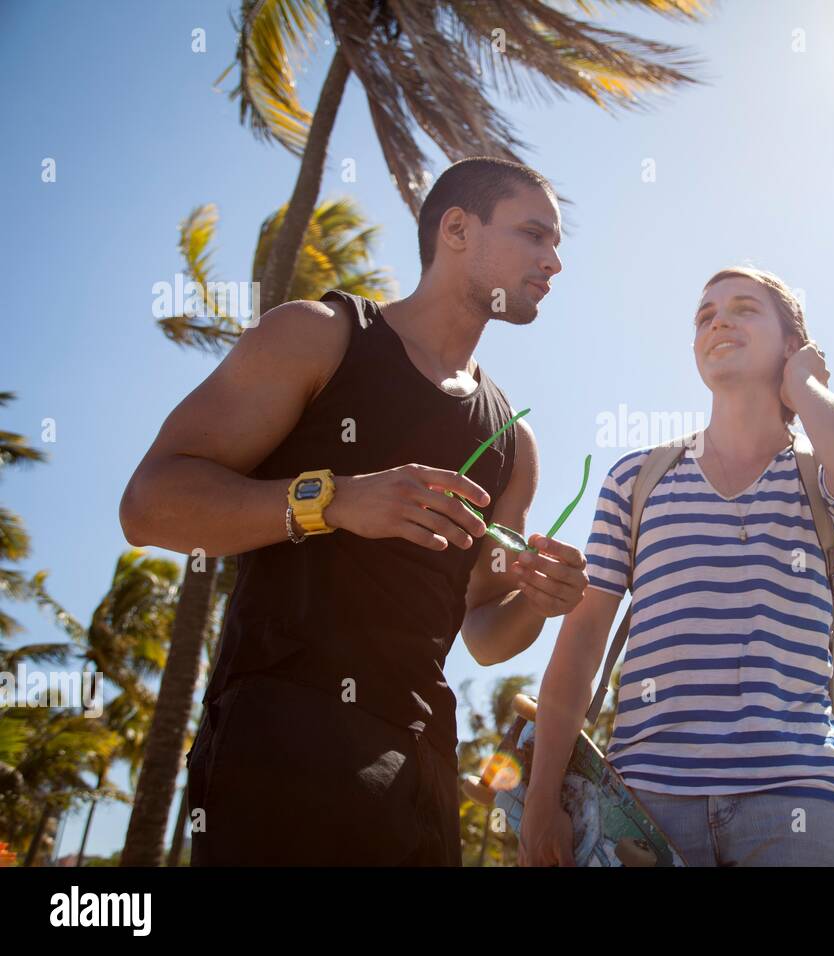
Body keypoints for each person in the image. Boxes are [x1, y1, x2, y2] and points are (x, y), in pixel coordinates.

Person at [119, 157, 589, 865]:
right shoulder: (318, 337)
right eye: (534, 235)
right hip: (282, 738)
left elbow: (484, 632)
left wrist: (538, 601)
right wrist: (334, 500)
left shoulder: (511, 443)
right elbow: (148, 506)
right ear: (457, 229)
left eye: (556, 244)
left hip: (423, 764)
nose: (554, 261)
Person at [520, 266, 834, 867]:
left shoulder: (818, 475)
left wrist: (802, 383)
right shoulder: (636, 480)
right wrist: (542, 801)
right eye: (705, 315)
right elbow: (580, 644)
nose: (718, 320)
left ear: (793, 344)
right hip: (643, 806)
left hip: (797, 799)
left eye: (745, 308)